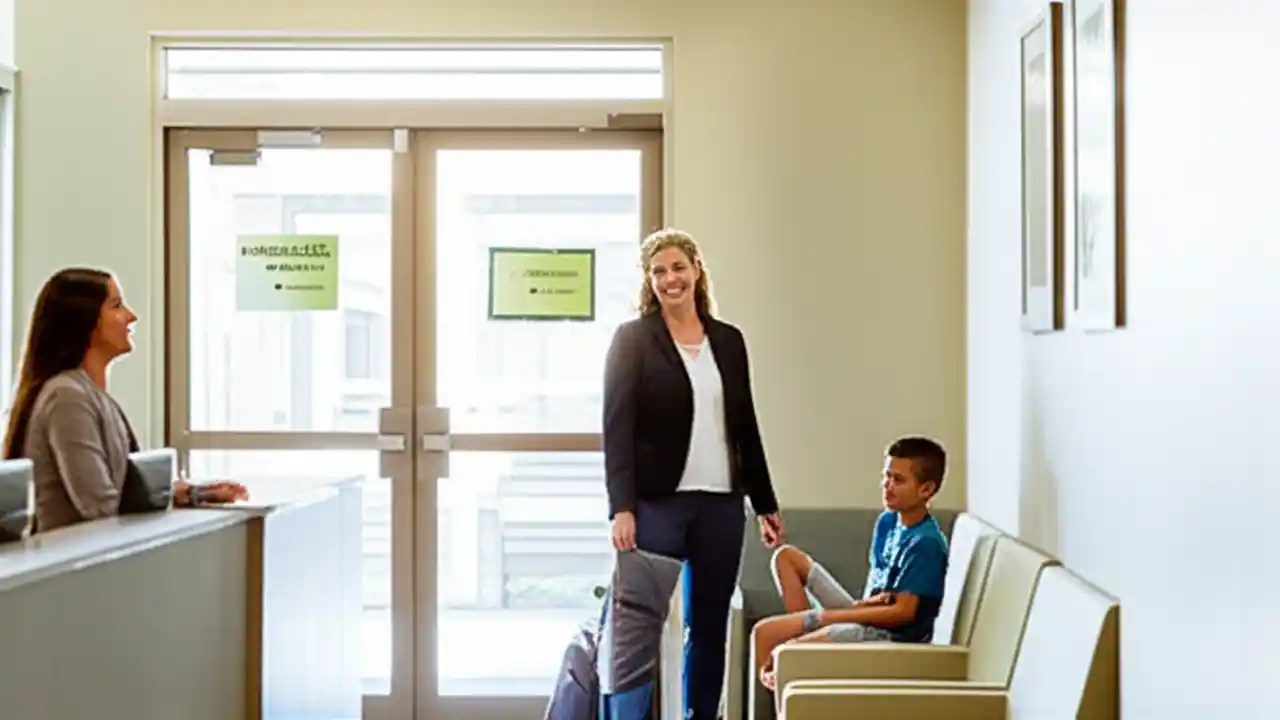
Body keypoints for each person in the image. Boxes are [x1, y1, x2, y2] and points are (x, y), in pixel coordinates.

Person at [603, 228, 784, 720]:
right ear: (649, 280)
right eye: (658, 271)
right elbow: (616, 429)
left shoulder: (728, 341)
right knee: (636, 630)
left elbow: (746, 424)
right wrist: (621, 507)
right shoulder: (633, 340)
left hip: (721, 504)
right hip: (658, 503)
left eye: (677, 267)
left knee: (708, 628)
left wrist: (764, 502)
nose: (669, 279)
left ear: (697, 269)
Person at [2, 267, 248, 533]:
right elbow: (100, 507)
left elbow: (122, 494)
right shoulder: (67, 396)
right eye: (116, 306)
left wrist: (193, 493)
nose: (131, 316)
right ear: (84, 320)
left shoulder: (87, 395)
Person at [753, 436, 950, 694]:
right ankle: (801, 647)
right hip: (867, 615)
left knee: (787, 654)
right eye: (886, 476)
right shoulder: (887, 522)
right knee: (780, 575)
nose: (888, 486)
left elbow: (901, 614)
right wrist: (853, 609)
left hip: (892, 637)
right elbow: (879, 596)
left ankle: (799, 653)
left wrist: (828, 619)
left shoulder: (926, 542)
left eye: (898, 480)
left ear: (926, 489)